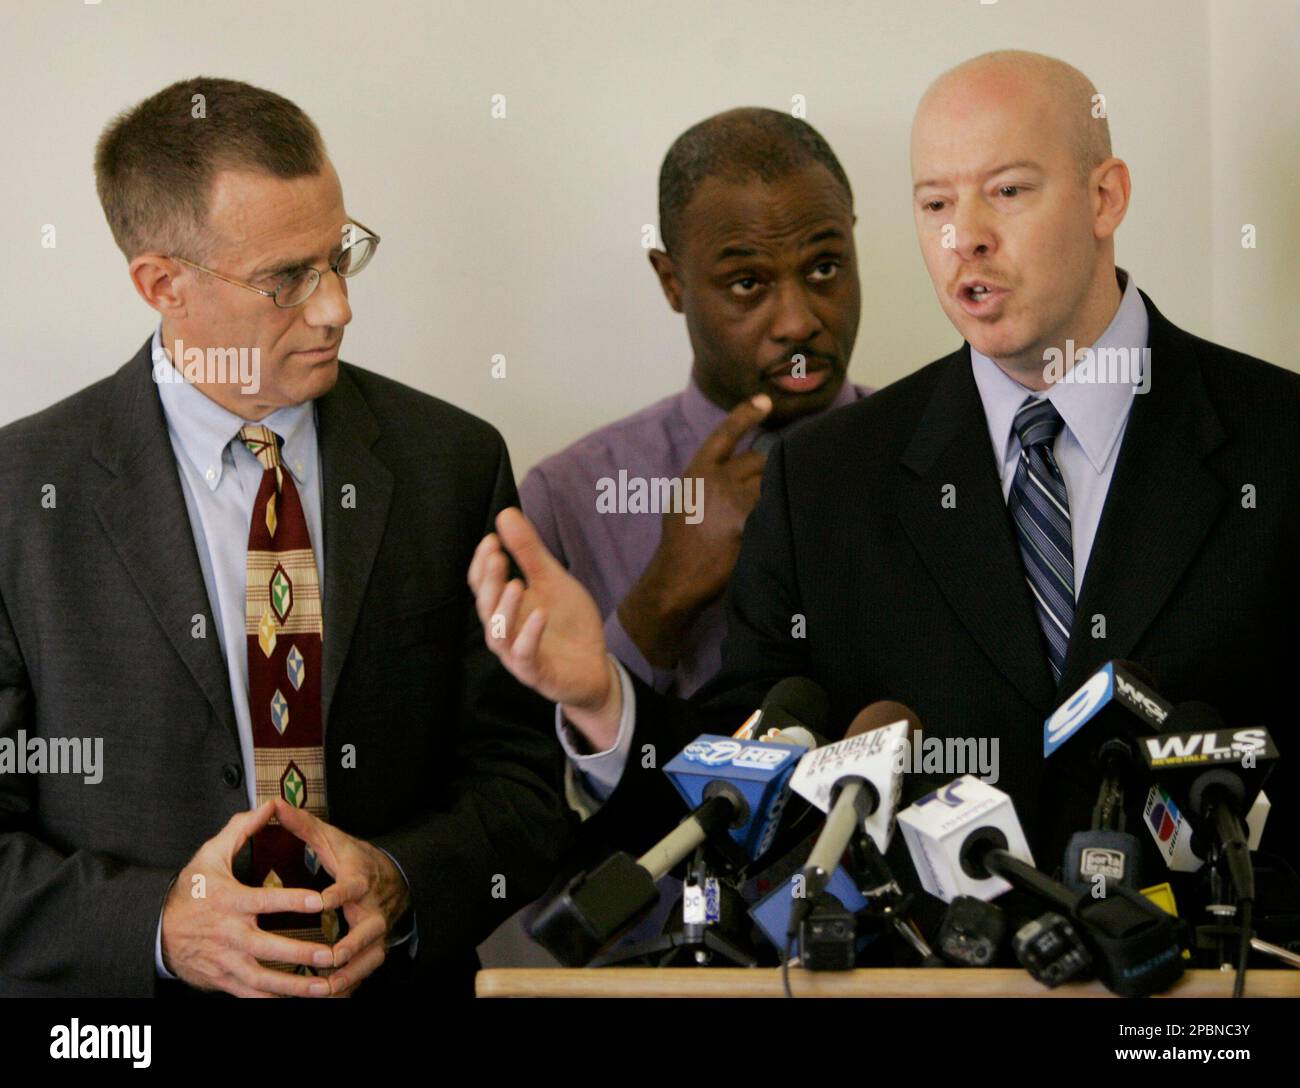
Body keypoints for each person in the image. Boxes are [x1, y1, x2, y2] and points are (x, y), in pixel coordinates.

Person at [469, 51, 1299, 938]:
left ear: (1105, 198)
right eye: (936, 203)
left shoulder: (1279, 440)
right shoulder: (825, 477)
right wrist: (602, 695)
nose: (965, 238)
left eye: (1008, 192)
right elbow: (745, 800)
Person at [0, 77, 570, 997]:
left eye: (339, 255)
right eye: (287, 279)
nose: (337, 305)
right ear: (162, 285)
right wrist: (159, 926)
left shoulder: (451, 464)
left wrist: (403, 879)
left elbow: (526, 785)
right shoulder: (19, 496)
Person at [519, 108, 870, 714]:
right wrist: (662, 598)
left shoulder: (946, 455)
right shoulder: (568, 498)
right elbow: (534, 779)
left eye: (823, 269)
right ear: (671, 282)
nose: (798, 322)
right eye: (747, 284)